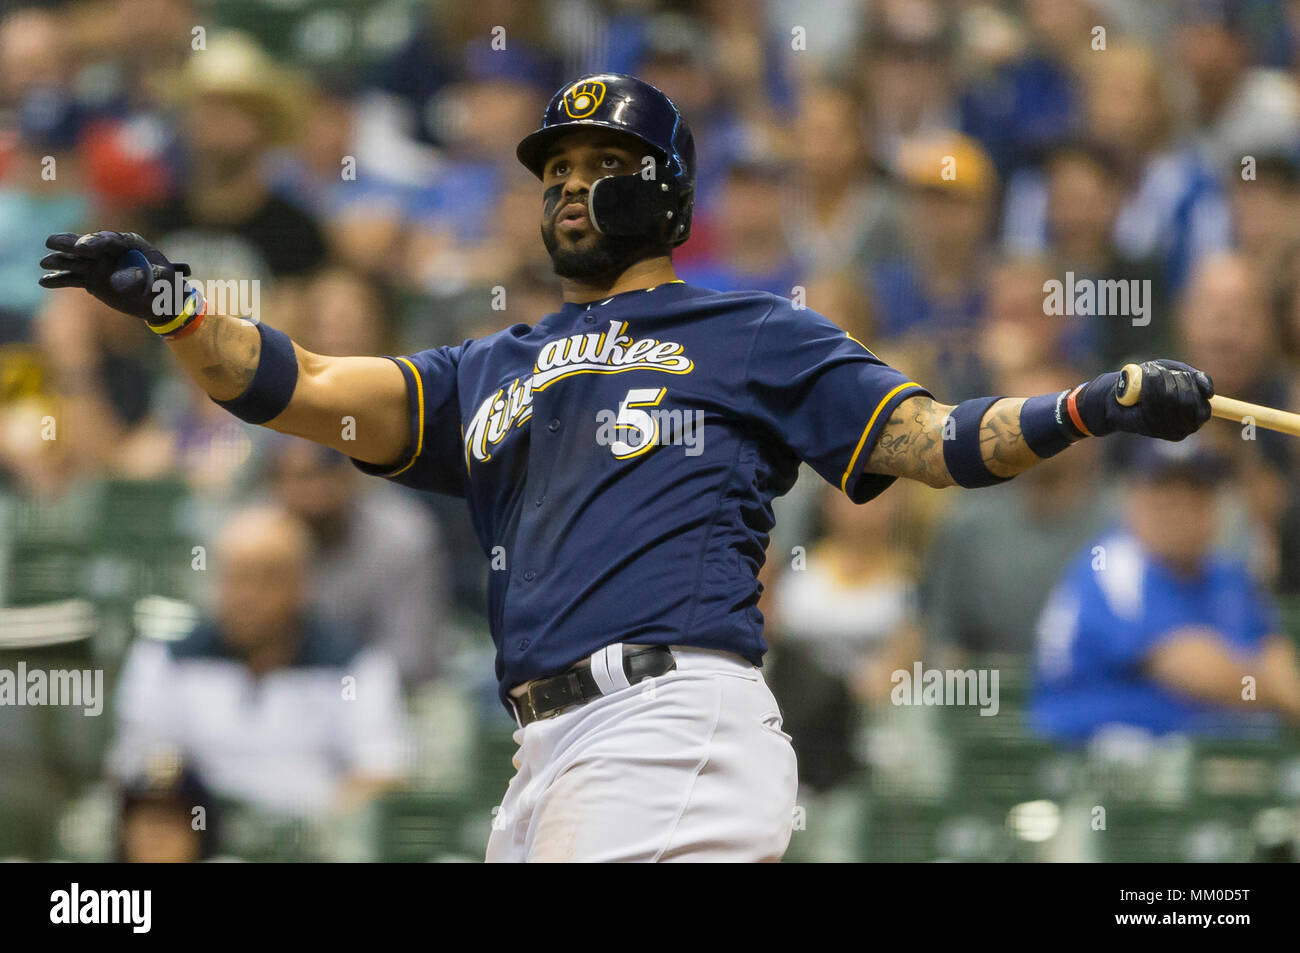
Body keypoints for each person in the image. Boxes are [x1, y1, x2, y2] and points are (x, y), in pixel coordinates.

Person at [41, 73, 1216, 863]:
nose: (560, 183)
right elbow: (292, 385)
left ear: (657, 187)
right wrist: (179, 307)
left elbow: (940, 443)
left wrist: (1090, 402)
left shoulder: (753, 330)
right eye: (550, 167)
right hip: (545, 746)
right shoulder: (484, 365)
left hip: (668, 716)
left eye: (593, 162)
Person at [107, 505, 408, 817]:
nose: (247, 596)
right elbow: (137, 768)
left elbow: (380, 773)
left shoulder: (357, 667)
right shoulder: (164, 661)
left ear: (301, 585)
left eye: (267, 579)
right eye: (235, 577)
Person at [1032, 436, 1300, 743]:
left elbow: (1275, 653)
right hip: (1092, 758)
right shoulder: (1114, 568)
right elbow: (1196, 671)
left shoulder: (1228, 575)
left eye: (1195, 492)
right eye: (1164, 491)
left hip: (1204, 758)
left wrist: (1271, 686)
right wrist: (1277, 692)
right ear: (1133, 498)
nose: (1180, 508)